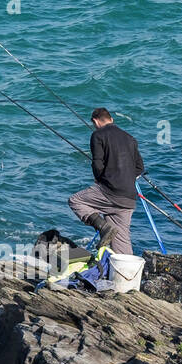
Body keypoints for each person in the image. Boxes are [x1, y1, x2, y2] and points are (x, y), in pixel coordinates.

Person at [68, 108, 145, 254]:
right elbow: (139, 168)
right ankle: (128, 273)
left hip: (109, 191)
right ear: (111, 119)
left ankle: (103, 227)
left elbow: (97, 163)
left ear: (95, 121)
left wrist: (100, 179)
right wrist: (125, 177)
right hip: (128, 197)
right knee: (121, 241)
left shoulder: (98, 135)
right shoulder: (130, 138)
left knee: (76, 201)